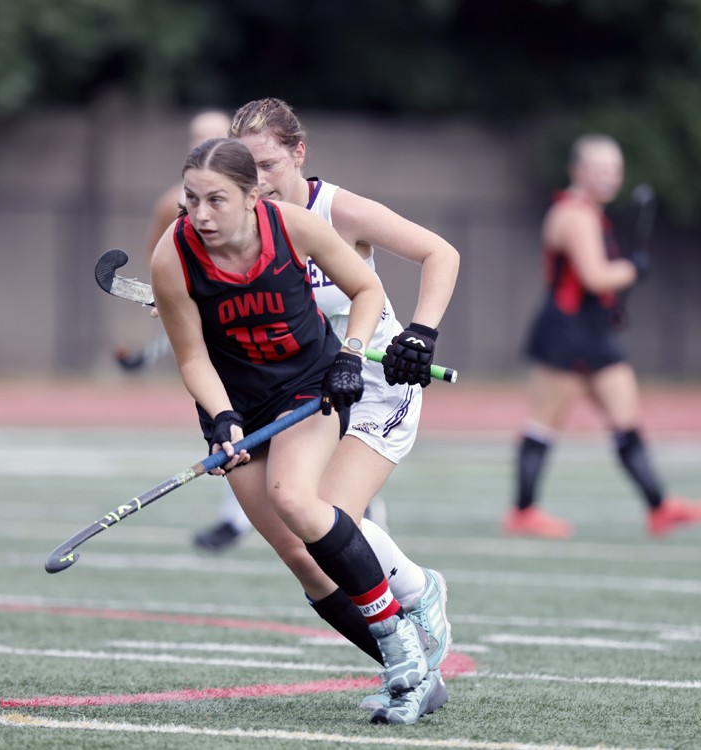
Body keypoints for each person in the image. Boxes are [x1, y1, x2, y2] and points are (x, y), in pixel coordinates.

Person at [151, 136, 442, 724]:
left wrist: (350, 353)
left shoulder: (293, 228)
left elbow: (366, 289)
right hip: (235, 403)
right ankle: (415, 676)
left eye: (216, 200)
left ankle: (407, 653)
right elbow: (193, 358)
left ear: (251, 197)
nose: (201, 215)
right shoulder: (173, 257)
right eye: (191, 199)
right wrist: (223, 417)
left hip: (308, 386)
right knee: (299, 557)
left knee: (295, 499)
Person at [214, 97, 459, 715]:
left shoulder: (335, 210)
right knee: (303, 542)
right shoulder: (242, 225)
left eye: (268, 165)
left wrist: (420, 334)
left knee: (325, 513)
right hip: (308, 391)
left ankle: (420, 591)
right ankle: (407, 667)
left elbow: (441, 253)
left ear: (299, 154)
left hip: (376, 386)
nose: (256, 182)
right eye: (245, 170)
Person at [505, 133, 701, 539]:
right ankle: (523, 511)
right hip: (564, 333)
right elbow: (595, 275)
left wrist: (611, 300)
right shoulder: (575, 215)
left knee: (626, 418)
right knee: (545, 422)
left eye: (614, 169)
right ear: (577, 170)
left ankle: (659, 507)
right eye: (598, 168)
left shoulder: (591, 214)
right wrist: (633, 268)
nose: (608, 176)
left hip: (594, 332)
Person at [116, 110, 232, 371]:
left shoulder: (253, 196)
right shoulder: (172, 203)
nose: (207, 142)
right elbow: (155, 256)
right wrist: (180, 292)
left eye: (217, 135)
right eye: (199, 136)